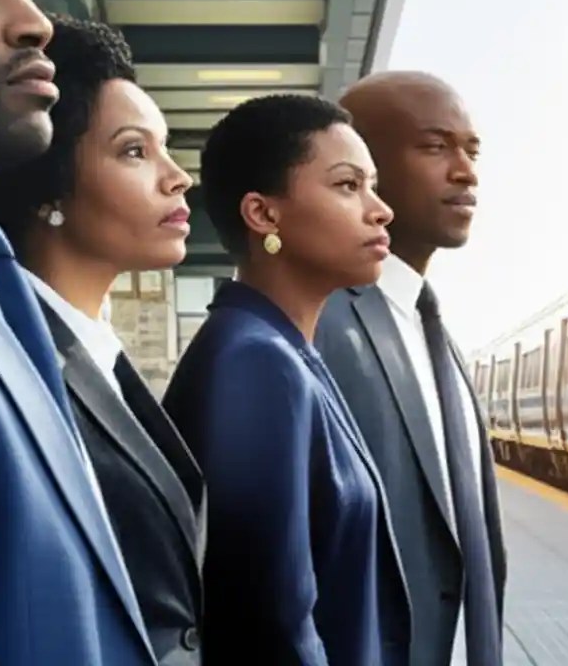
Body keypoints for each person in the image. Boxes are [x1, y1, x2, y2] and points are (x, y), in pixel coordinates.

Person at [0, 14, 205, 665]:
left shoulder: (99, 355)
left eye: (165, 148)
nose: (177, 176)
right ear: (49, 185)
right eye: (135, 151)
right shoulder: (23, 371)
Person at [162, 93, 410, 665]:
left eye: (372, 186)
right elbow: (271, 624)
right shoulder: (256, 363)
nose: (380, 209)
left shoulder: (284, 351)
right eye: (348, 186)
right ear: (264, 215)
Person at [316, 70, 507, 666]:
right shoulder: (321, 326)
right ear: (362, 167)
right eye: (435, 146)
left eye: (471, 150)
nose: (465, 171)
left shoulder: (436, 335)